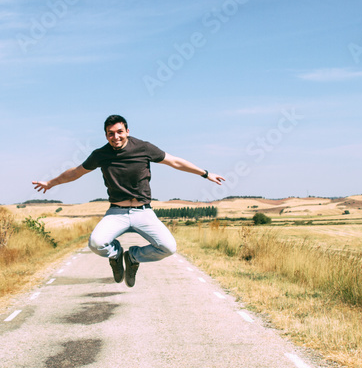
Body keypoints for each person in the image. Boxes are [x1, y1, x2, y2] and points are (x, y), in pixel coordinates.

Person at [32, 114, 225, 287]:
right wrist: (50, 183)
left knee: (168, 248)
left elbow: (174, 161)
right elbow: (76, 172)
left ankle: (132, 257)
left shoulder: (144, 148)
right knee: (95, 243)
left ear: (127, 131)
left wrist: (205, 174)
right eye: (110, 134)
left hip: (143, 212)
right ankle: (116, 255)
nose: (115, 137)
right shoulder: (101, 154)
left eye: (119, 132)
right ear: (106, 135)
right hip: (116, 212)